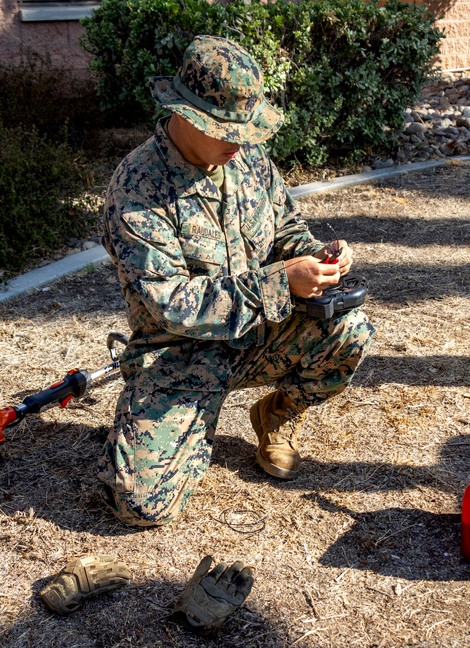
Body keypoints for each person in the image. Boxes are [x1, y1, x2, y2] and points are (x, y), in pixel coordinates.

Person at [97, 34, 375, 527]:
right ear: (186, 115)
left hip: (259, 335)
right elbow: (171, 302)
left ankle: (276, 416)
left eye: (245, 130)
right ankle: (190, 425)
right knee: (138, 506)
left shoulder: (245, 158)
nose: (239, 143)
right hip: (178, 353)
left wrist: (312, 255)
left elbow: (284, 228)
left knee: (349, 330)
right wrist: (279, 284)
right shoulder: (137, 188)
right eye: (227, 130)